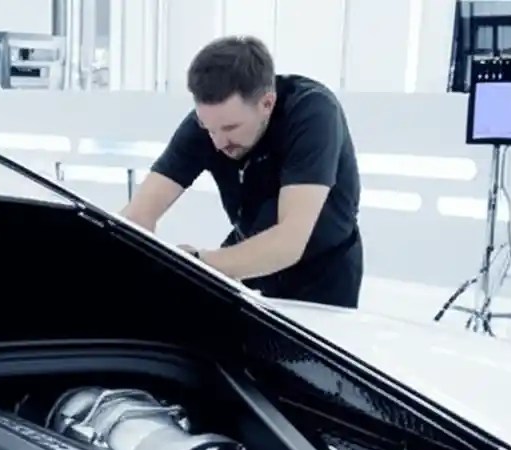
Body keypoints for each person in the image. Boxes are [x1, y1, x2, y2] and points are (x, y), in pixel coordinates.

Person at [120, 36, 363, 308]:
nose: (218, 142)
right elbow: (138, 215)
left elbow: (289, 241)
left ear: (267, 104)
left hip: (321, 269)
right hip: (248, 245)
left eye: (230, 128)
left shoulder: (312, 113)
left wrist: (197, 262)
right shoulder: (210, 124)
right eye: (209, 128)